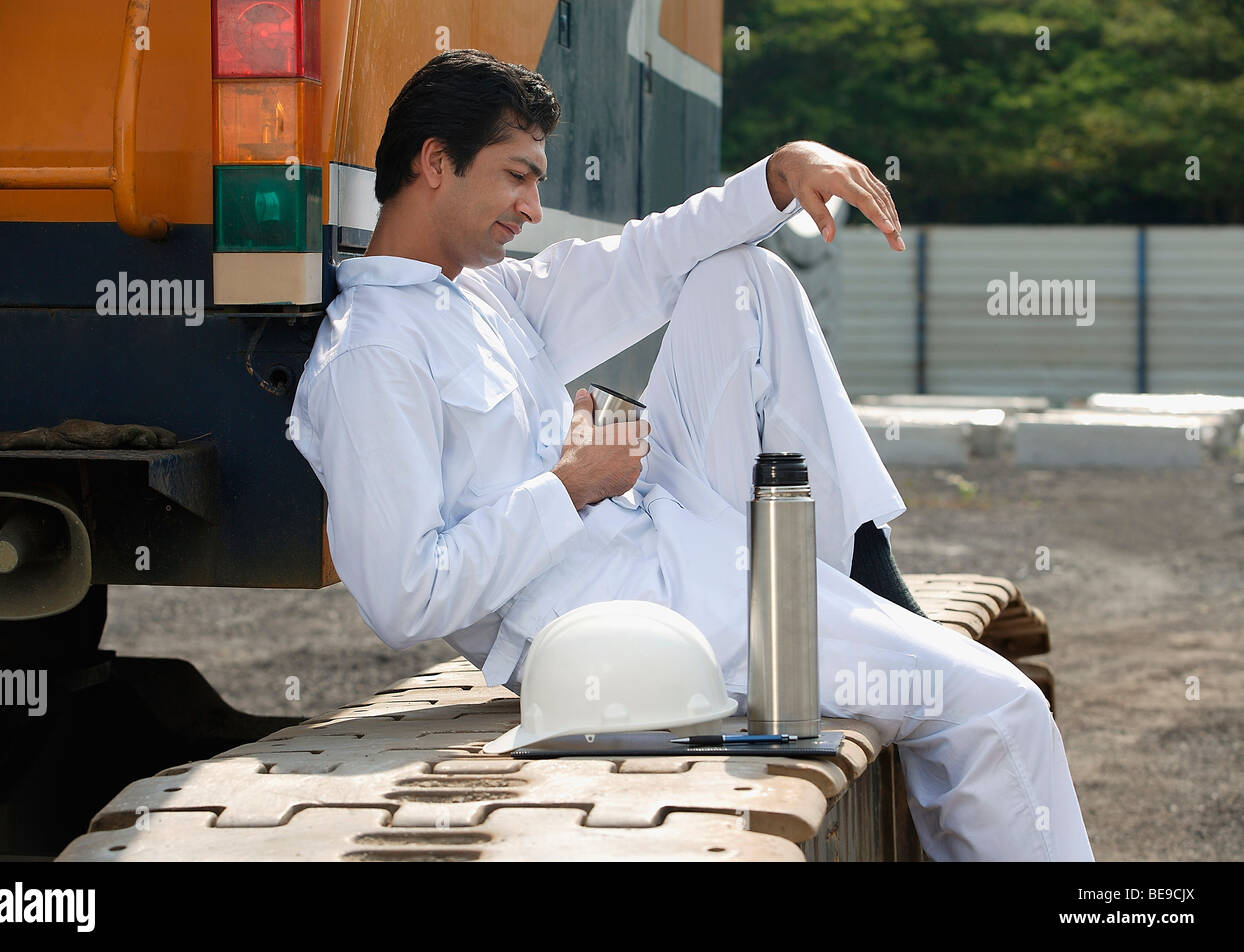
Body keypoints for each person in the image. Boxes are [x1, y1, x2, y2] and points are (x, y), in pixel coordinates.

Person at [288, 49, 1093, 861]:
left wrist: (779, 174)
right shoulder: (370, 356)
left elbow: (644, 260)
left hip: (661, 533)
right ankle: (864, 615)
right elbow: (402, 596)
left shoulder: (481, 294)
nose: (533, 207)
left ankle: (859, 576)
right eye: (517, 176)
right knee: (1000, 708)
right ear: (435, 162)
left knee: (744, 282)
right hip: (618, 619)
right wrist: (571, 486)